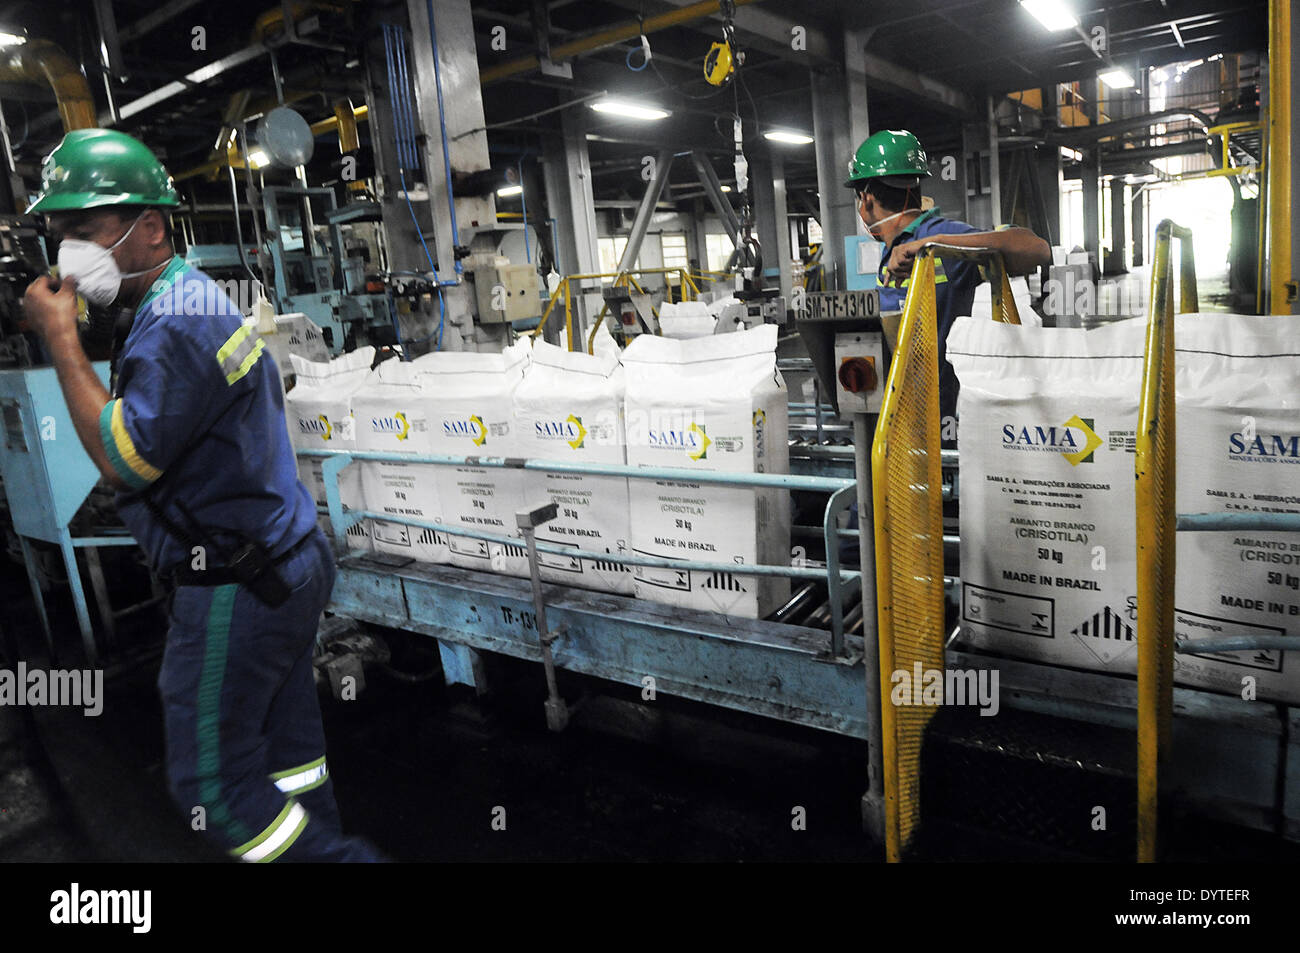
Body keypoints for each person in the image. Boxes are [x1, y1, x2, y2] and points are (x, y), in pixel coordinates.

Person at [21, 128, 382, 862]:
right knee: (289, 756)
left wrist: (60, 338)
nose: (65, 257)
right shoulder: (183, 297)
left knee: (211, 786)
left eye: (83, 233)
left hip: (234, 582)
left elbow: (123, 459)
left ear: (148, 227)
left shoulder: (174, 322)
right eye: (58, 236)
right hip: (285, 560)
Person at [845, 129, 1051, 434]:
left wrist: (937, 244)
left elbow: (1038, 249)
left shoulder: (940, 235)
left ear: (867, 199)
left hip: (940, 418)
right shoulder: (889, 253)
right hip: (898, 413)